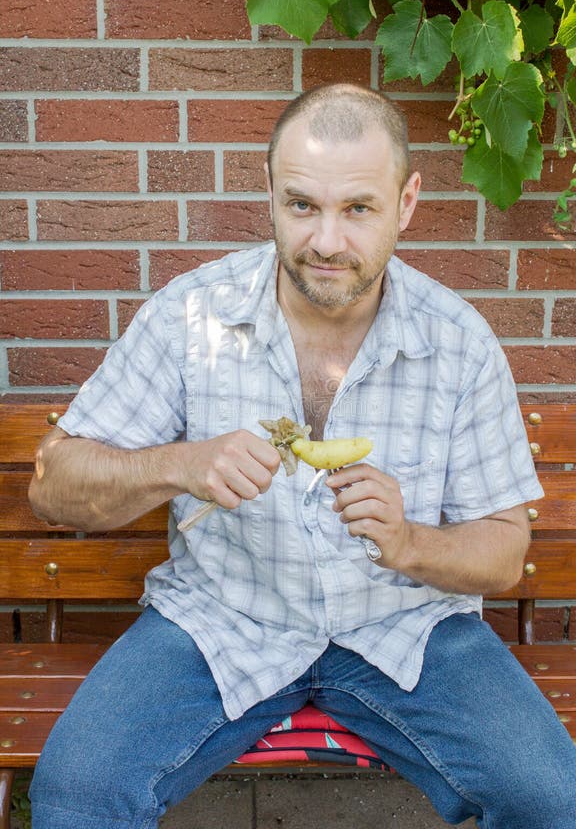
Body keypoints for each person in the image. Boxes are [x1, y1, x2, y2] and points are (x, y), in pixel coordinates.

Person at [28, 83, 576, 829]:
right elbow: (53, 485)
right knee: (73, 792)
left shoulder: (458, 342)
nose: (325, 240)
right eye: (302, 206)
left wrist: (410, 541)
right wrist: (177, 465)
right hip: (223, 620)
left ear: (406, 203)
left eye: (357, 209)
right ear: (270, 193)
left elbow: (504, 553)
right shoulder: (193, 316)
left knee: (553, 798)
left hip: (406, 628)